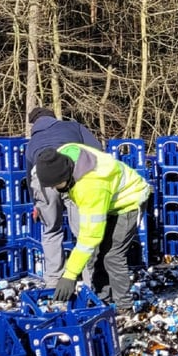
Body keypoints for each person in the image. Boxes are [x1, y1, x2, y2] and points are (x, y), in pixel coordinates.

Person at [34, 144, 151, 310]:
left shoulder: (91, 186)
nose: (54, 188)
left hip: (130, 200)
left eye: (56, 184)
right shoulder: (64, 153)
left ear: (65, 176)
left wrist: (70, 275)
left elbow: (90, 237)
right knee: (95, 255)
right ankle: (102, 300)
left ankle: (124, 306)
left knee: (112, 256)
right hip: (107, 198)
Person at [25, 106, 103, 288]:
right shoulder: (73, 127)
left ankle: (53, 281)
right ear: (54, 117)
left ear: (34, 124)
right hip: (72, 175)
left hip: (42, 180)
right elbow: (97, 149)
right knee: (82, 231)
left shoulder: (32, 142)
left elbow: (29, 175)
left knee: (51, 230)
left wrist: (35, 203)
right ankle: (90, 281)